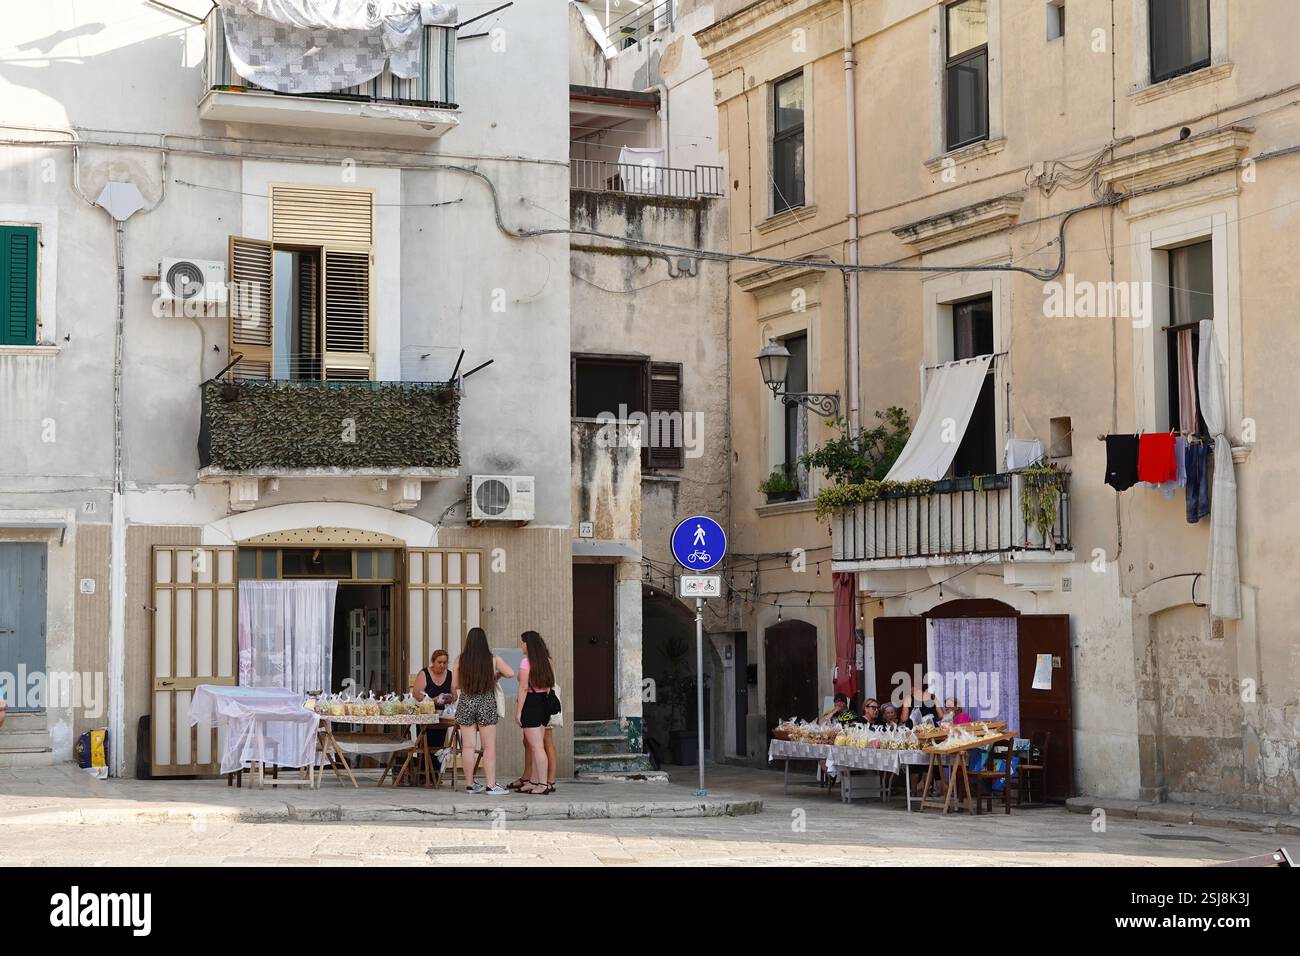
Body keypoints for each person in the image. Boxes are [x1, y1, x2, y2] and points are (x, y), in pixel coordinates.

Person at [452, 627, 514, 794]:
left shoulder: (460, 659)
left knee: (468, 747)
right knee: (488, 747)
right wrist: (495, 675)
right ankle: (491, 784)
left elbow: (455, 685)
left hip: (466, 702)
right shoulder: (492, 659)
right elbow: (510, 673)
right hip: (486, 702)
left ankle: (470, 784)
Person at [513, 630, 559, 795]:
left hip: (531, 703)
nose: (521, 645)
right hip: (543, 703)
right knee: (536, 745)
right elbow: (549, 683)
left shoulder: (526, 662)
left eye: (522, 642)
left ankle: (542, 784)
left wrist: (518, 712)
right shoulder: (547, 661)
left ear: (528, 644)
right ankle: (533, 781)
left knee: (537, 747)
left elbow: (523, 687)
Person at [412, 649, 453, 776]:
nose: (442, 665)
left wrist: (450, 697)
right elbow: (416, 693)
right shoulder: (424, 673)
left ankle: (435, 774)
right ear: (433, 662)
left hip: (442, 714)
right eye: (439, 662)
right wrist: (431, 700)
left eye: (445, 663)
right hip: (427, 713)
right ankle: (424, 774)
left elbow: (454, 693)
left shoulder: (450, 675)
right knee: (426, 743)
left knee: (439, 743)